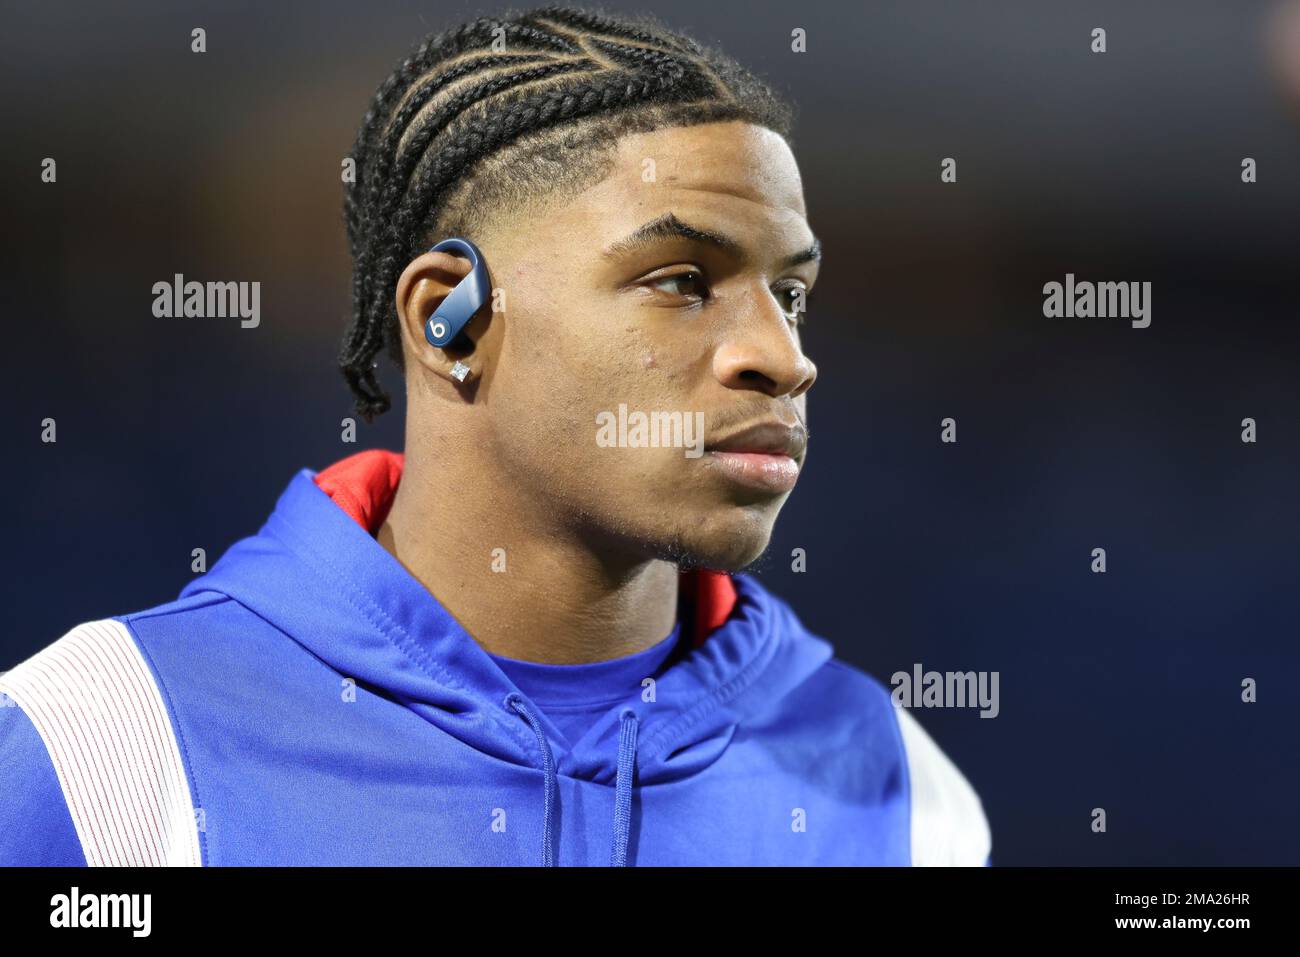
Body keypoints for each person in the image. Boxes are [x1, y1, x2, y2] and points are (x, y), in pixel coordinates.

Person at [0, 4, 990, 866]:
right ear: (454, 321)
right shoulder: (102, 749)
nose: (782, 357)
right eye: (680, 282)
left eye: (791, 295)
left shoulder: (898, 791)